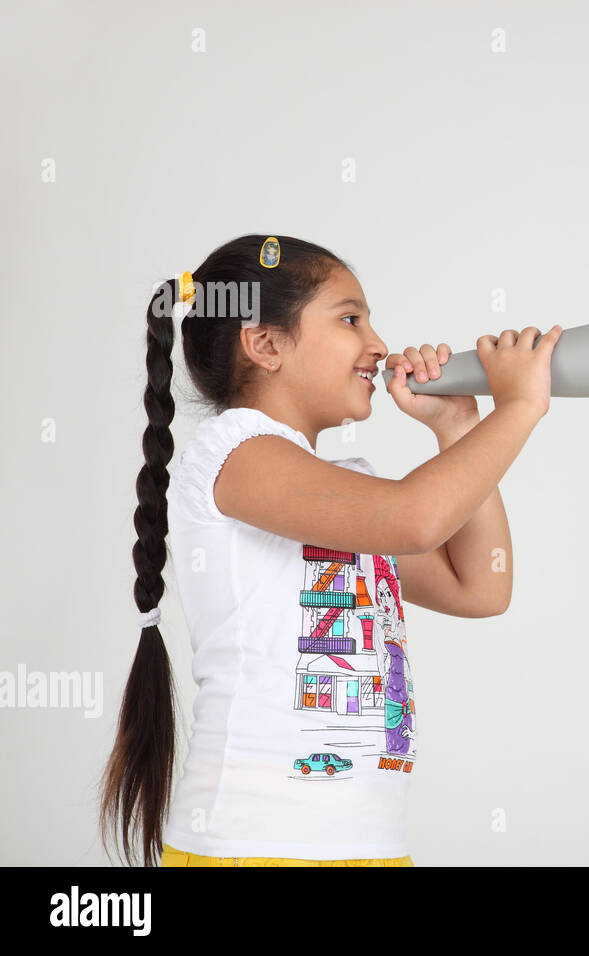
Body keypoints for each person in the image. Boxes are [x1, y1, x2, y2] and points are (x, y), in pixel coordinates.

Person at [98, 234, 561, 866]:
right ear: (264, 344)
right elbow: (416, 518)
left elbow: (480, 588)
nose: (378, 344)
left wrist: (459, 428)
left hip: (363, 847)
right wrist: (523, 405)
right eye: (350, 318)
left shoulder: (341, 491)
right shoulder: (236, 454)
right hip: (254, 848)